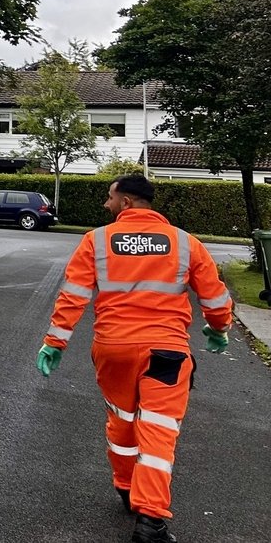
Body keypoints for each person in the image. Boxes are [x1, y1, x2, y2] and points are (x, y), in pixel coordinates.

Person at [36, 174, 233, 543]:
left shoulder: (96, 241)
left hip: (114, 350)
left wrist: (55, 343)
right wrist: (218, 330)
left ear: (126, 202)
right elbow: (215, 298)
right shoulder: (185, 243)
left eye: (109, 198)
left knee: (123, 422)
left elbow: (73, 296)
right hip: (167, 352)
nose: (105, 205)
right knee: (158, 430)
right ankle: (151, 521)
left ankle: (127, 488)